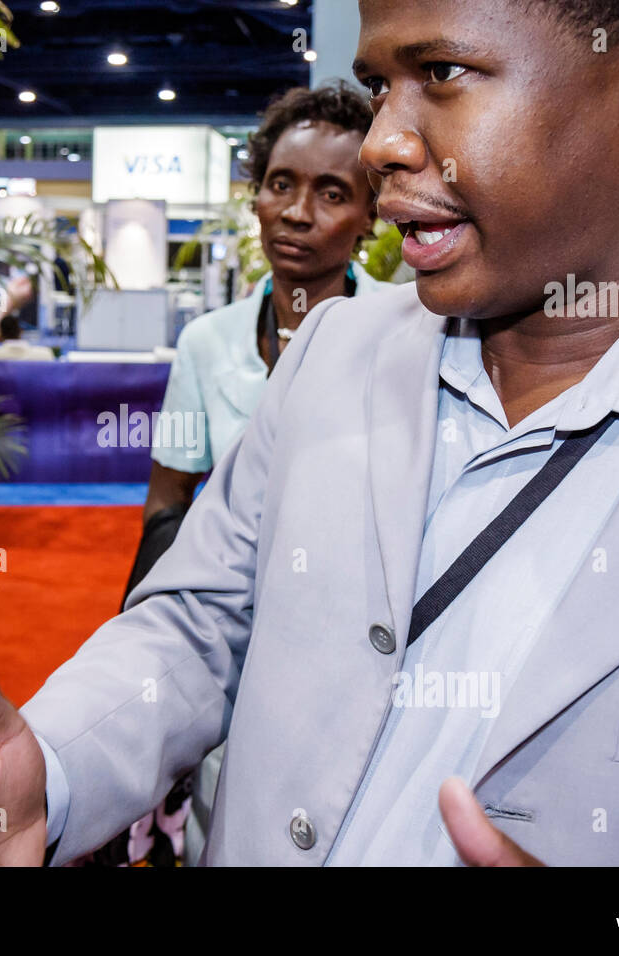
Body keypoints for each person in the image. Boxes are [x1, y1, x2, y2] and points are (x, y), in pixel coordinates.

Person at [0, 0, 619, 867]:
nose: (380, 143)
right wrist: (52, 771)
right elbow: (202, 624)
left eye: (443, 73)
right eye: (378, 84)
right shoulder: (334, 352)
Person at [105, 82, 383, 868]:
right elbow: (166, 506)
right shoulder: (207, 343)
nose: (298, 212)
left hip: (353, 650)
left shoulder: (410, 336)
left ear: (371, 216)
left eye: (333, 193)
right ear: (256, 194)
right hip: (224, 641)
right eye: (281, 184)